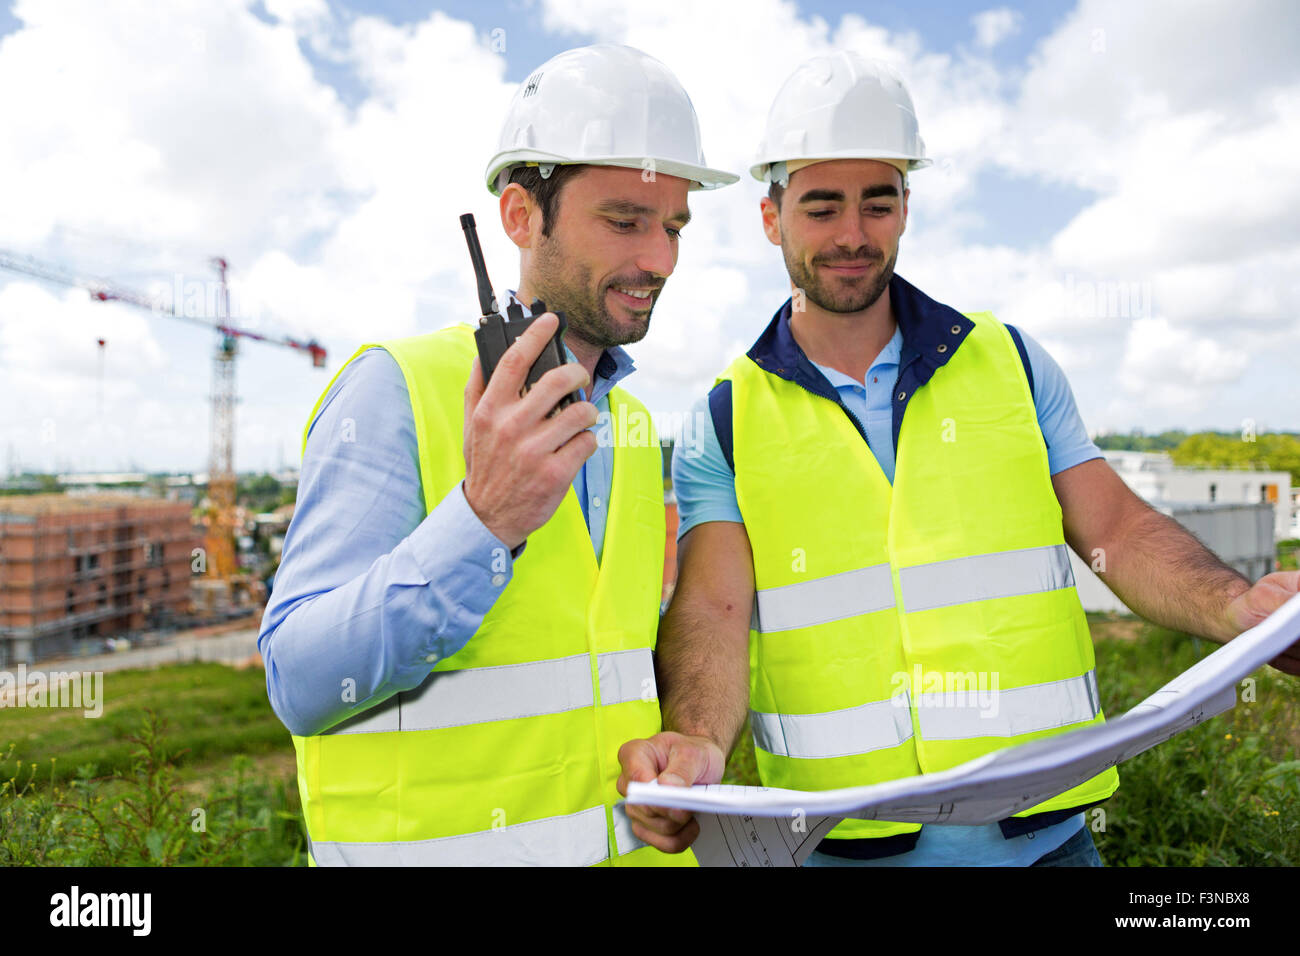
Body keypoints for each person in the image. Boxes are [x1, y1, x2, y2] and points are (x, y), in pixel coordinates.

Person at [617, 51, 1300, 866]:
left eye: (878, 203)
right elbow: (713, 614)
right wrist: (695, 738)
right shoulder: (724, 420)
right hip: (848, 852)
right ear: (772, 218)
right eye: (821, 206)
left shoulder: (1009, 361)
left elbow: (1116, 526)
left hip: (1049, 840)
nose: (851, 235)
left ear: (906, 209)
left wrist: (1238, 608)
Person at [259, 43, 737, 866]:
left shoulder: (628, 428)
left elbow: (590, 678)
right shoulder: (393, 390)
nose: (658, 260)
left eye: (674, 227)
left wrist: (668, 757)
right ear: (520, 217)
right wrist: (482, 523)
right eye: (624, 220)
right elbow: (300, 682)